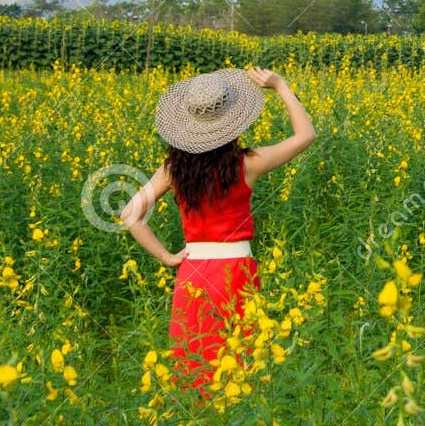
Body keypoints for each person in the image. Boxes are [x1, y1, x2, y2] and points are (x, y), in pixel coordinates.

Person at [121, 65, 315, 389]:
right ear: (232, 121)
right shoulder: (247, 164)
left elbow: (130, 215)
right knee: (240, 360)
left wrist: (166, 257)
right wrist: (280, 86)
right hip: (237, 271)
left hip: (192, 273)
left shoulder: (173, 169)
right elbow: (306, 136)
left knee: (194, 359)